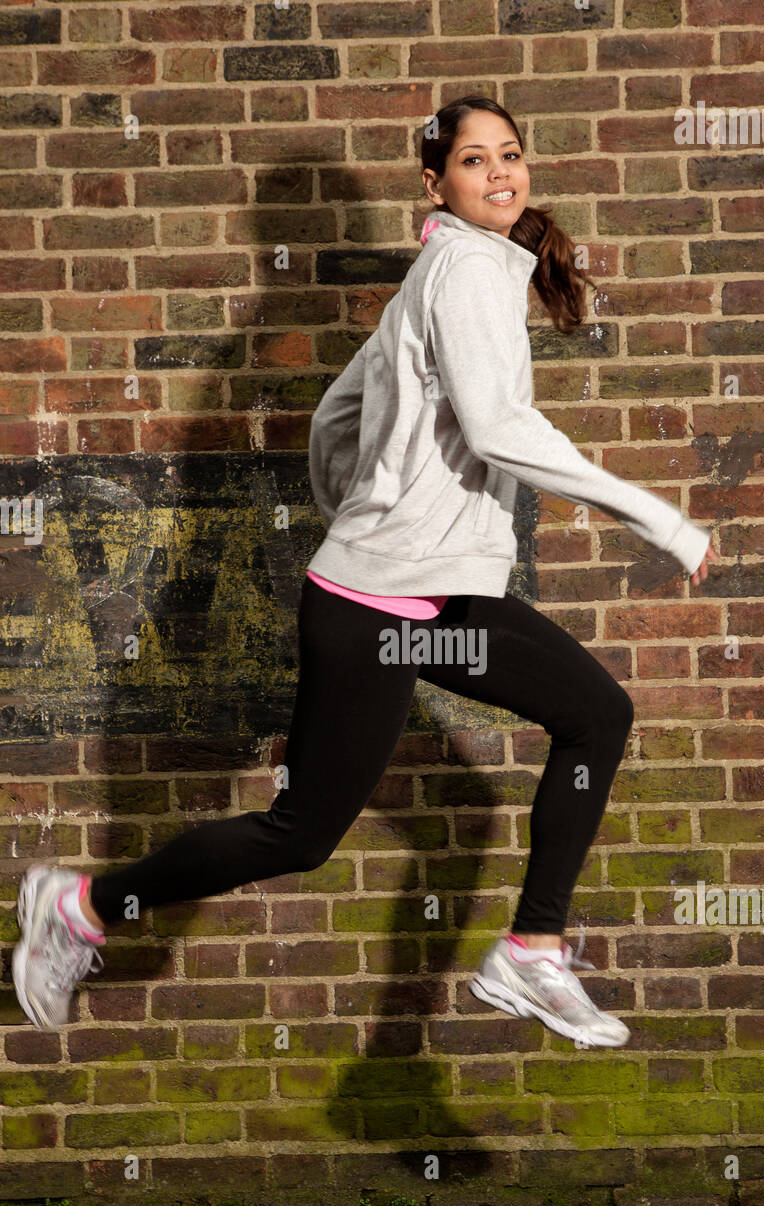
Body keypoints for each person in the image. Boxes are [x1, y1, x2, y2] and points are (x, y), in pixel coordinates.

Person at [13, 95, 717, 1048]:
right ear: (437, 184)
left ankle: (533, 950)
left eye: (511, 154)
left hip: (423, 595)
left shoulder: (442, 271)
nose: (501, 173)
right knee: (299, 837)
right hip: (378, 607)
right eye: (475, 161)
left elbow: (333, 421)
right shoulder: (465, 270)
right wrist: (657, 517)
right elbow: (501, 431)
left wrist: (370, 511)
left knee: (595, 714)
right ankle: (81, 909)